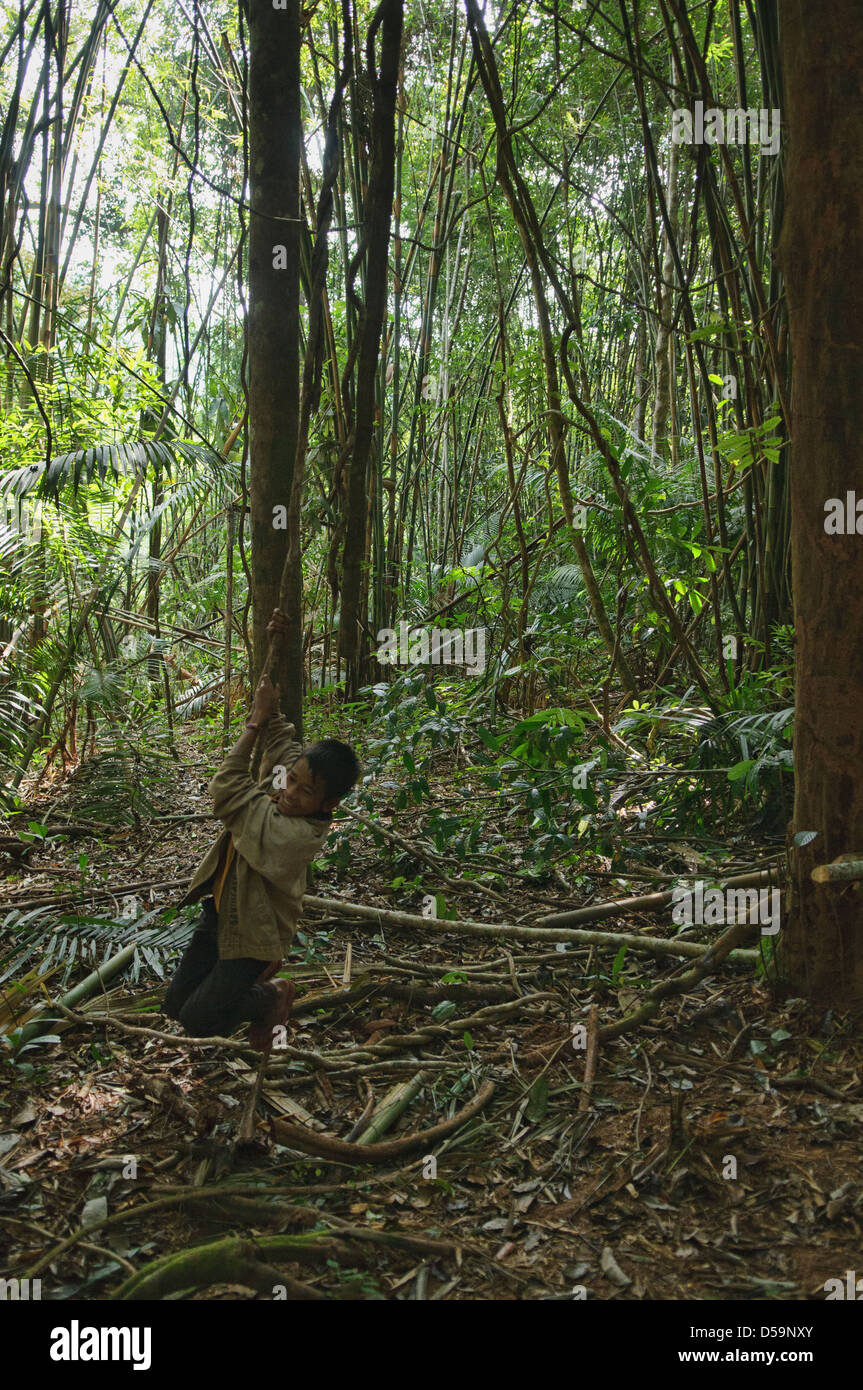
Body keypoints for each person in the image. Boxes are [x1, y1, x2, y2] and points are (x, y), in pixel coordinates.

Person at [163, 609, 360, 1051]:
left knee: (198, 1021)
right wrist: (274, 646)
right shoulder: (291, 786)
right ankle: (251, 994)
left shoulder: (291, 835)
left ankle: (270, 995)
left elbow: (227, 788)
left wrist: (252, 723)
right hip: (220, 911)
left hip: (253, 935)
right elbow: (279, 732)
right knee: (175, 1005)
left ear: (328, 805)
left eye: (305, 792)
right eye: (291, 779)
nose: (289, 792)